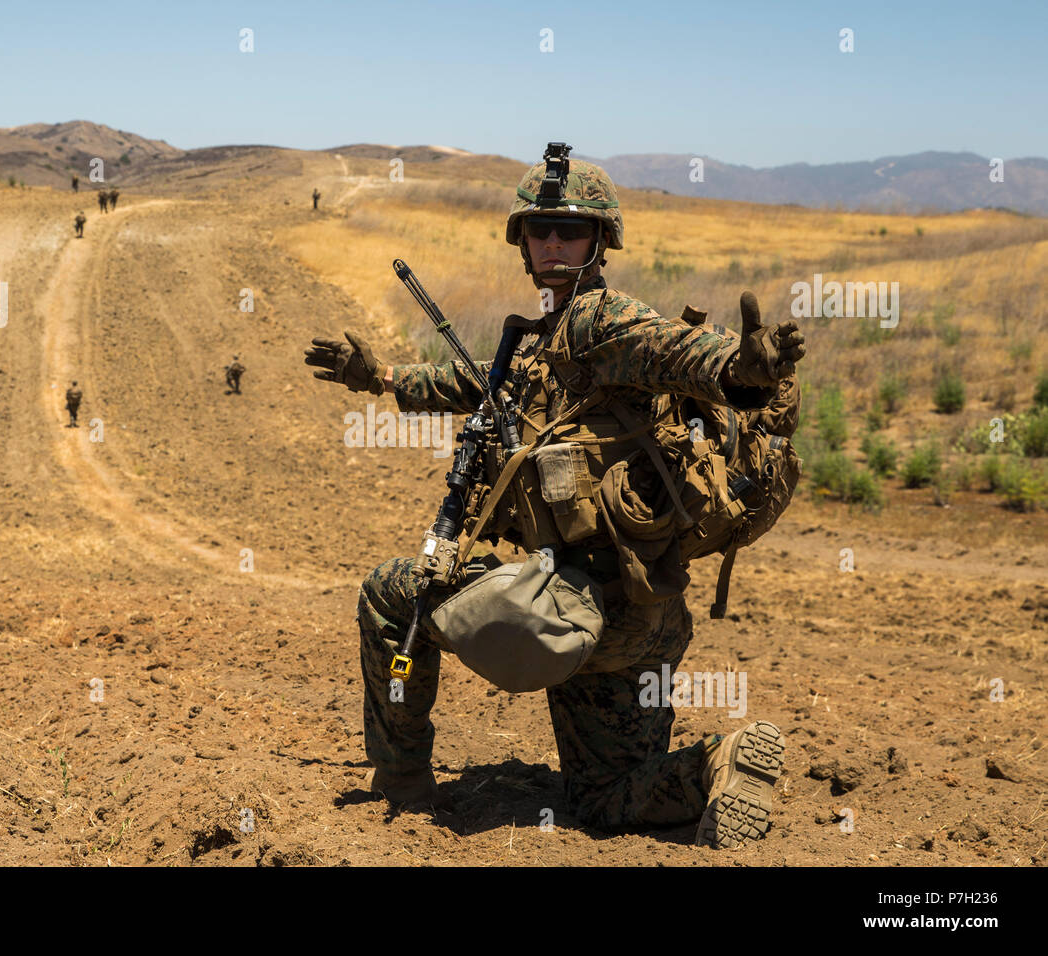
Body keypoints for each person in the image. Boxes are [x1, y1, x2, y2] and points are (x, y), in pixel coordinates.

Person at [304, 144, 806, 849]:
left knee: (394, 594)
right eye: (539, 230)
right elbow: (480, 385)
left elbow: (672, 349)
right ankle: (711, 769)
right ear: (523, 243)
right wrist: (384, 377)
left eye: (569, 230)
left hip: (577, 607)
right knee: (602, 800)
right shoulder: (546, 341)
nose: (552, 243)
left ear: (600, 242)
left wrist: (738, 373)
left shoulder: (602, 324)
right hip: (645, 616)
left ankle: (403, 787)